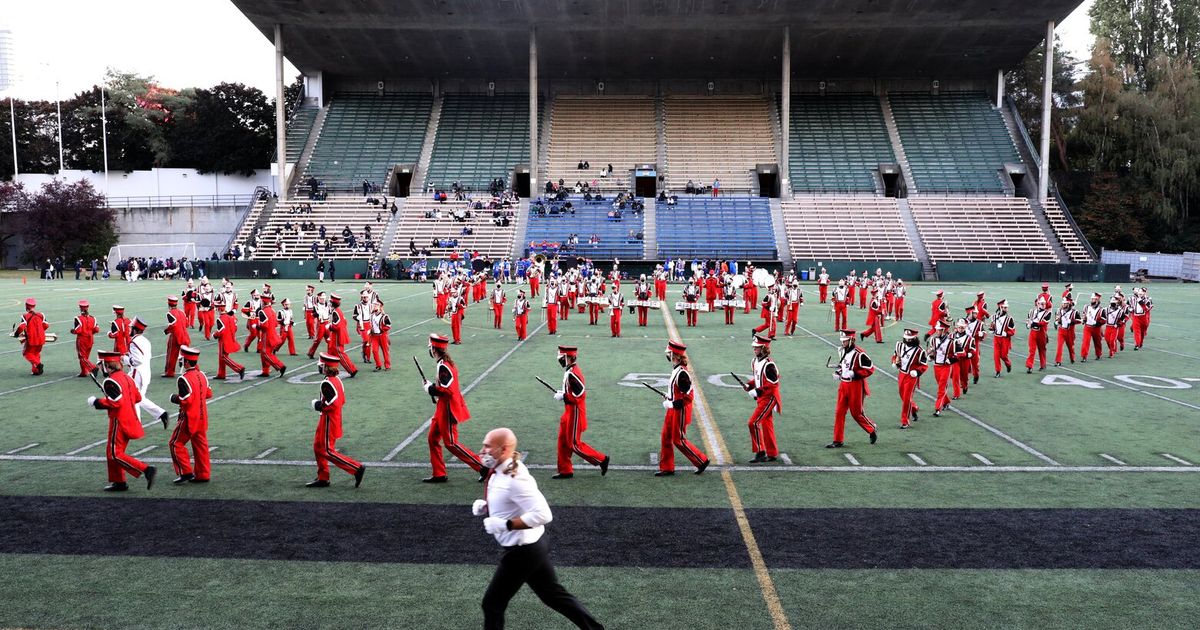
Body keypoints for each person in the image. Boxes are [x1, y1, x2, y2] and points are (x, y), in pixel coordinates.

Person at [473, 427, 605, 630]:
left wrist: (506, 524)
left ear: (505, 449)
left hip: (522, 552)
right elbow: (509, 499)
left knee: (492, 604)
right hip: (533, 546)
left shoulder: (515, 479)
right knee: (553, 596)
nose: (482, 451)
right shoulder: (501, 469)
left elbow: (544, 514)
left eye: (488, 446)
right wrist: (488, 506)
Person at [89, 350, 156, 491]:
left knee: (114, 453)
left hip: (119, 421)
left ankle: (146, 469)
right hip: (131, 419)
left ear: (107, 365)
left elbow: (115, 403)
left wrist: (97, 402)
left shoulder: (110, 381)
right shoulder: (128, 378)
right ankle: (118, 481)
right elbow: (137, 398)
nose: (100, 368)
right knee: (113, 451)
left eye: (101, 365)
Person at [422, 334, 484, 483]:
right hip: (442, 407)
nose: (429, 350)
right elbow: (443, 387)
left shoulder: (444, 366)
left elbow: (447, 391)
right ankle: (439, 473)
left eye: (430, 347)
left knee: (451, 443)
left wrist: (430, 389)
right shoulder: (442, 363)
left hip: (448, 408)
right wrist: (432, 387)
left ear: (435, 349)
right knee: (432, 438)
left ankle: (483, 467)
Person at [306, 353, 366, 488]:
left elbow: (333, 404)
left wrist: (317, 405)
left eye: (322, 365)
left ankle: (356, 468)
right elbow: (342, 400)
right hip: (330, 418)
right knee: (317, 446)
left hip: (328, 420)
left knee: (326, 450)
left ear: (327, 367)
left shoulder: (327, 383)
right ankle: (323, 477)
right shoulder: (337, 380)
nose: (320, 367)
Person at [550, 346, 610, 479]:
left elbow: (580, 396)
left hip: (575, 412)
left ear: (570, 358)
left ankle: (602, 459)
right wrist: (563, 393)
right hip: (568, 411)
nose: (560, 360)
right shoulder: (570, 370)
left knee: (573, 444)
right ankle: (565, 470)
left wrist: (564, 397)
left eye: (562, 358)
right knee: (562, 440)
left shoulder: (573, 373)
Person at [656, 341, 710, 476]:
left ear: (675, 355)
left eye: (669, 353)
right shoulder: (676, 369)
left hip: (680, 410)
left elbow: (689, 397)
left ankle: (701, 461)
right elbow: (678, 392)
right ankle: (667, 467)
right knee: (666, 436)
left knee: (678, 439)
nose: (668, 355)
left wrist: (673, 404)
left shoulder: (682, 373)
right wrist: (670, 396)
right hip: (673, 408)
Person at [168, 345, 212, 484]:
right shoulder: (202, 375)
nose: (180, 362)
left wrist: (174, 398)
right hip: (202, 417)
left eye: (182, 360)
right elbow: (209, 394)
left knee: (175, 444)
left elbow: (186, 400)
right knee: (201, 446)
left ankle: (185, 471)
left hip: (188, 418)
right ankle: (203, 474)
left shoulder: (184, 378)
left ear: (187, 362)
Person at [828, 329, 877, 448]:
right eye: (842, 341)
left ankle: (871, 429)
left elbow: (870, 368)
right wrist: (839, 373)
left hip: (855, 386)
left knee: (856, 413)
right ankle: (837, 440)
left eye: (845, 341)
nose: (843, 343)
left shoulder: (860, 353)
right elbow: (843, 366)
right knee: (839, 412)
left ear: (851, 340)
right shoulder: (842, 351)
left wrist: (855, 374)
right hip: (843, 385)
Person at [743, 335, 782, 463]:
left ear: (764, 348)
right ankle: (772, 453)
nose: (754, 349)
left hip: (769, 397)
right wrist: (749, 385)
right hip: (762, 397)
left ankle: (760, 452)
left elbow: (773, 385)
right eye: (754, 347)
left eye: (757, 348)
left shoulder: (769, 365)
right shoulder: (755, 361)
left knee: (753, 423)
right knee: (766, 423)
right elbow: (758, 378)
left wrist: (757, 391)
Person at [126, 317, 170, 428]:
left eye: (131, 328)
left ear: (135, 329)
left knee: (134, 399)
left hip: (138, 373)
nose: (130, 329)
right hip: (146, 372)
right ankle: (161, 413)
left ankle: (136, 424)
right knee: (139, 398)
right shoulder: (145, 340)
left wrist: (125, 359)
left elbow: (137, 361)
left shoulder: (134, 341)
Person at [891, 329, 928, 429]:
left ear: (915, 338)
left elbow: (924, 365)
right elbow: (895, 356)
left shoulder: (920, 351)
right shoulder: (899, 345)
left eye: (910, 339)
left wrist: (917, 372)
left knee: (907, 398)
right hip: (901, 374)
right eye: (906, 338)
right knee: (902, 395)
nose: (907, 340)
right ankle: (914, 408)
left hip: (911, 377)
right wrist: (894, 362)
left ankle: (905, 421)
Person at [212, 298, 246, 380]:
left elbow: (221, 331)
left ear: (219, 309)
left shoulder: (220, 318)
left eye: (217, 308)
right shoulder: (230, 317)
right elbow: (235, 328)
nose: (216, 309)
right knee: (222, 357)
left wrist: (214, 335)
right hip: (230, 338)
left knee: (223, 357)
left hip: (223, 340)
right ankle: (221, 374)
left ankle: (239, 368)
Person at [325, 294, 358, 377]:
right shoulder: (337, 310)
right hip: (335, 335)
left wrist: (329, 326)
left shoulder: (336, 312)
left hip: (337, 336)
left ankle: (352, 370)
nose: (329, 303)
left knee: (339, 353)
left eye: (330, 301)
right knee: (331, 353)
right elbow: (344, 322)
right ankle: (330, 371)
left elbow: (337, 326)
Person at [256, 295, 288, 378]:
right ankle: (265, 371)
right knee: (265, 354)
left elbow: (264, 325)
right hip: (273, 334)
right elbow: (275, 324)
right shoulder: (272, 310)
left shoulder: (262, 312)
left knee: (265, 353)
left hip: (266, 335)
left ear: (263, 302)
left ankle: (280, 366)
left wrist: (257, 326)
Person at [15, 298, 48, 375]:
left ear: (26, 306)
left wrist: (17, 334)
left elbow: (21, 327)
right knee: (36, 353)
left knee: (27, 353)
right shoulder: (41, 315)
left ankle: (38, 365)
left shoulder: (25, 316)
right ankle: (36, 371)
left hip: (32, 339)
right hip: (41, 338)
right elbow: (46, 325)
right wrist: (39, 331)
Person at [928, 322, 953, 416]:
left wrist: (950, 360)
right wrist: (930, 356)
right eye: (937, 329)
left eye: (939, 330)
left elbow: (960, 353)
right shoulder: (933, 340)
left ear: (944, 330)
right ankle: (946, 401)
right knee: (940, 385)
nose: (936, 331)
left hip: (946, 367)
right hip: (936, 366)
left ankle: (938, 408)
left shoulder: (951, 341)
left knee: (941, 388)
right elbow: (932, 352)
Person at [162, 295, 191, 378]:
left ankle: (169, 372)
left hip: (175, 336)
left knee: (171, 354)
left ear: (169, 304)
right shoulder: (181, 312)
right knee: (188, 354)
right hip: (185, 335)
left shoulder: (170, 313)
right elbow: (187, 324)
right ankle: (195, 369)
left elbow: (173, 326)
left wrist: (166, 331)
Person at [71, 300, 100, 377]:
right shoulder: (93, 318)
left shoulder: (78, 318)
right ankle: (84, 372)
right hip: (90, 339)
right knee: (86, 356)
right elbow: (96, 329)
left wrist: (73, 331)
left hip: (82, 339)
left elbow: (78, 330)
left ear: (80, 308)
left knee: (82, 357)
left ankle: (92, 368)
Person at [1024, 297, 1052, 373]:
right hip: (1033, 332)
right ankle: (1029, 366)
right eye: (1041, 303)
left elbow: (1044, 323)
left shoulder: (1048, 313)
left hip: (1041, 333)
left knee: (1042, 350)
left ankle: (1043, 365)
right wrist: (1028, 325)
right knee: (1032, 350)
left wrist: (1034, 323)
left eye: (1044, 304)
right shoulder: (1032, 311)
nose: (1043, 305)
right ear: (1038, 303)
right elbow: (1028, 320)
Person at [990, 299, 1016, 377]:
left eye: (1006, 308)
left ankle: (1008, 364)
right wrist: (992, 329)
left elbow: (1013, 331)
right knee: (996, 355)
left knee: (1003, 355)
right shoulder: (994, 316)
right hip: (996, 338)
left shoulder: (1009, 319)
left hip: (1005, 339)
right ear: (1000, 307)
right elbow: (993, 326)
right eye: (1004, 308)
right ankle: (998, 371)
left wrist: (1006, 333)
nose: (1006, 309)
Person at [1053, 297, 1081, 366]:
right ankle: (1058, 361)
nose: (1063, 305)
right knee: (1059, 346)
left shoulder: (1075, 312)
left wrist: (1071, 321)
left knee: (1070, 347)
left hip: (1070, 331)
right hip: (1061, 331)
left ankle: (1072, 358)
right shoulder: (1059, 310)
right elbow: (1057, 319)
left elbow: (1080, 321)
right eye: (1063, 304)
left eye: (1065, 304)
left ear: (1068, 304)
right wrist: (1056, 322)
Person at [1080, 292, 1106, 362]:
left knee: (1097, 342)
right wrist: (1084, 319)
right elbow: (1084, 315)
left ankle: (1098, 354)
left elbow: (1104, 320)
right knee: (1085, 342)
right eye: (1091, 299)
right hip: (1087, 327)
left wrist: (1097, 323)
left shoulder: (1101, 310)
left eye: (1093, 299)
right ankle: (1084, 356)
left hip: (1096, 328)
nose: (1091, 300)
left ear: (1097, 300)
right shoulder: (1086, 307)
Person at [369, 301, 391, 371]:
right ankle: (378, 365)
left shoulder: (384, 316)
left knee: (385, 351)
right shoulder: (371, 316)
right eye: (374, 305)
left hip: (382, 336)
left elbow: (388, 326)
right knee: (374, 351)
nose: (374, 306)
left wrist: (382, 328)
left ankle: (387, 366)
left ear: (380, 307)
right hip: (374, 336)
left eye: (376, 305)